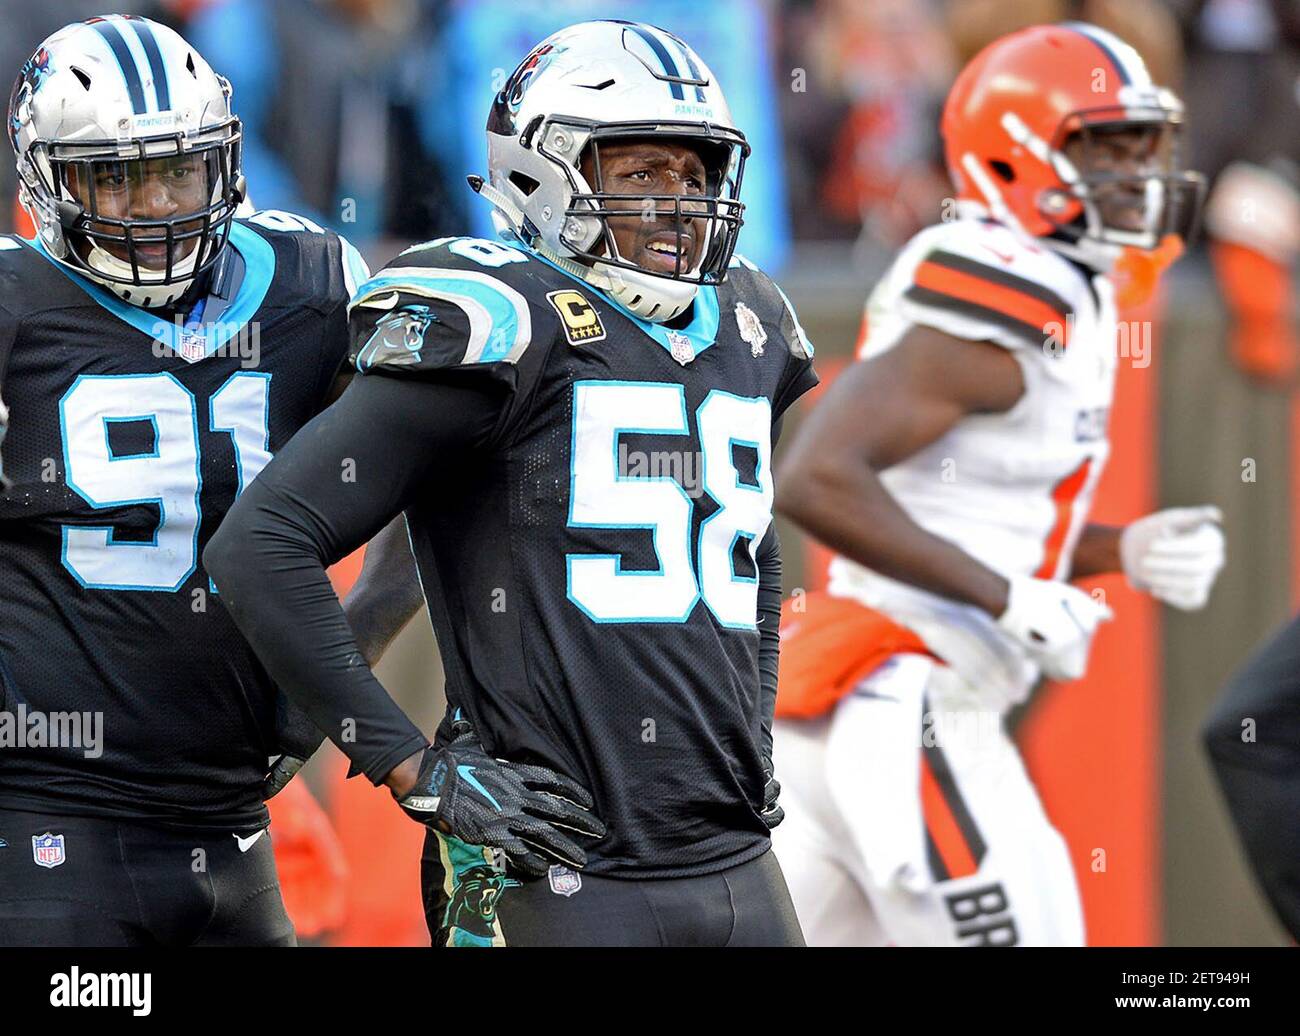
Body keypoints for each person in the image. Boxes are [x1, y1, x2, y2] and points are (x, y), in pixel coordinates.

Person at [205, 19, 819, 947]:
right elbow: (261, 546)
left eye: (694, 175)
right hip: (557, 870)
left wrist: (752, 727)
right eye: (642, 172)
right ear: (541, 172)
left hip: (734, 859)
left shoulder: (748, 320)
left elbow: (751, 552)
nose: (678, 203)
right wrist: (412, 769)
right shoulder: (502, 316)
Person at [0, 14, 593, 947]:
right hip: (49, 817)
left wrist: (325, 683)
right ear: (46, 180)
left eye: (179, 170)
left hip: (232, 820)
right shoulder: (15, 309)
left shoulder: (309, 282)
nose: (155, 204)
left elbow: (432, 471)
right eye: (116, 178)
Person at [768, 22, 1225, 947]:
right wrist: (1007, 595)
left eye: (1145, 145)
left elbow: (973, 506)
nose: (1138, 173)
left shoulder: (1059, 279)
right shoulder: (1011, 286)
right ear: (1015, 157)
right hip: (912, 706)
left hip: (860, 715)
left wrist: (1117, 549)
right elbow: (815, 477)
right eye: (1105, 148)